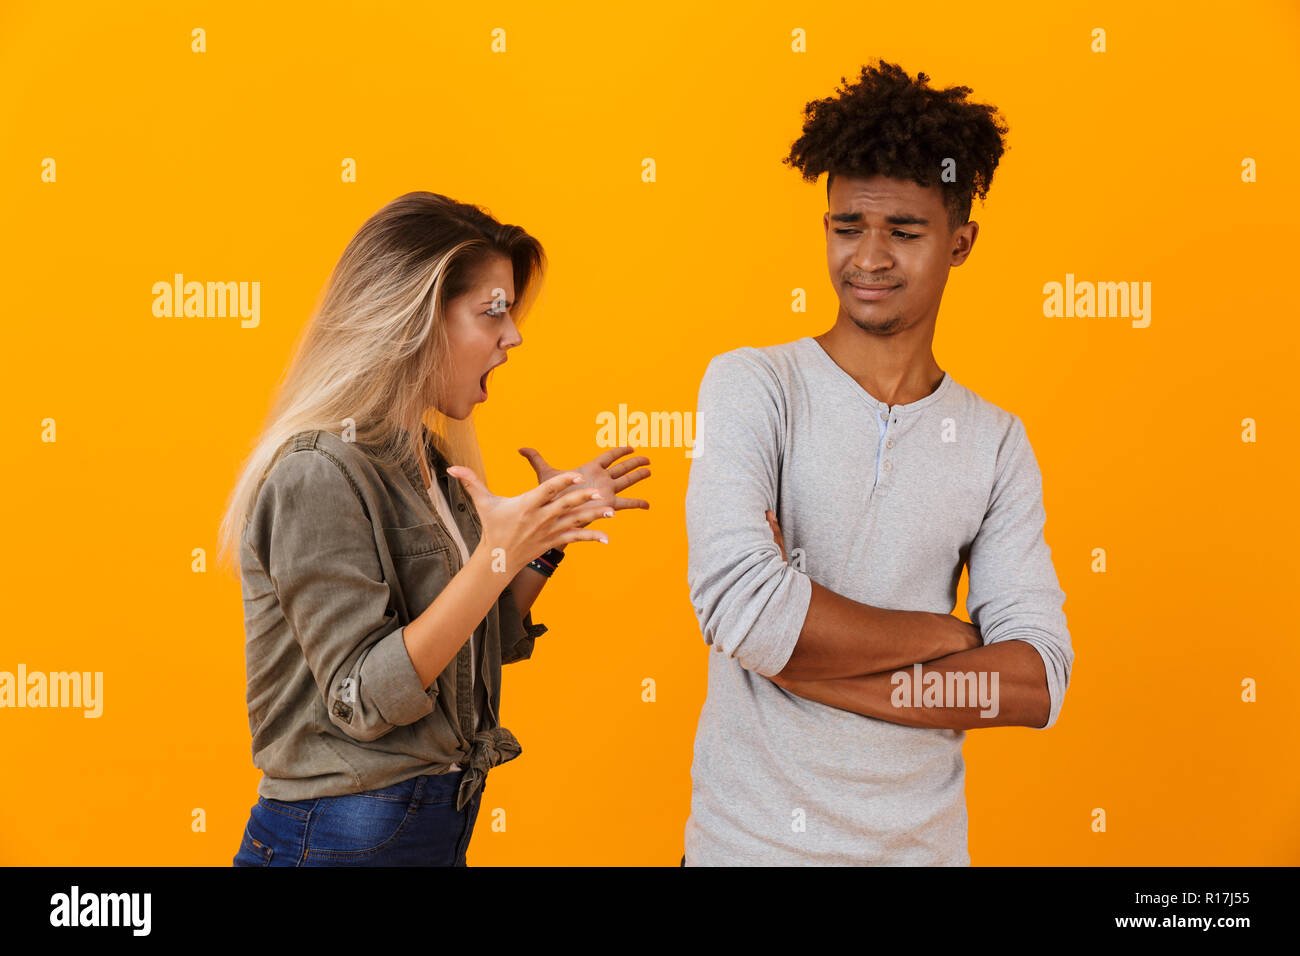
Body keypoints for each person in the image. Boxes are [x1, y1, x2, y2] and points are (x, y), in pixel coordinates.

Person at [681, 60, 1074, 865]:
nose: (868, 257)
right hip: (744, 849)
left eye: (903, 230)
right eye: (846, 226)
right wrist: (947, 635)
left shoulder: (998, 442)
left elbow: (1035, 681)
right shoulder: (756, 385)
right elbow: (742, 610)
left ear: (960, 242)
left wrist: (807, 663)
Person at [218, 192, 650, 866]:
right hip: (341, 835)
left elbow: (479, 640)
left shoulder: (423, 457)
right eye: (493, 313)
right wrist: (495, 554)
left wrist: (542, 540)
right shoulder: (316, 474)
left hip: (423, 828)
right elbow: (362, 696)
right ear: (416, 320)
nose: (514, 337)